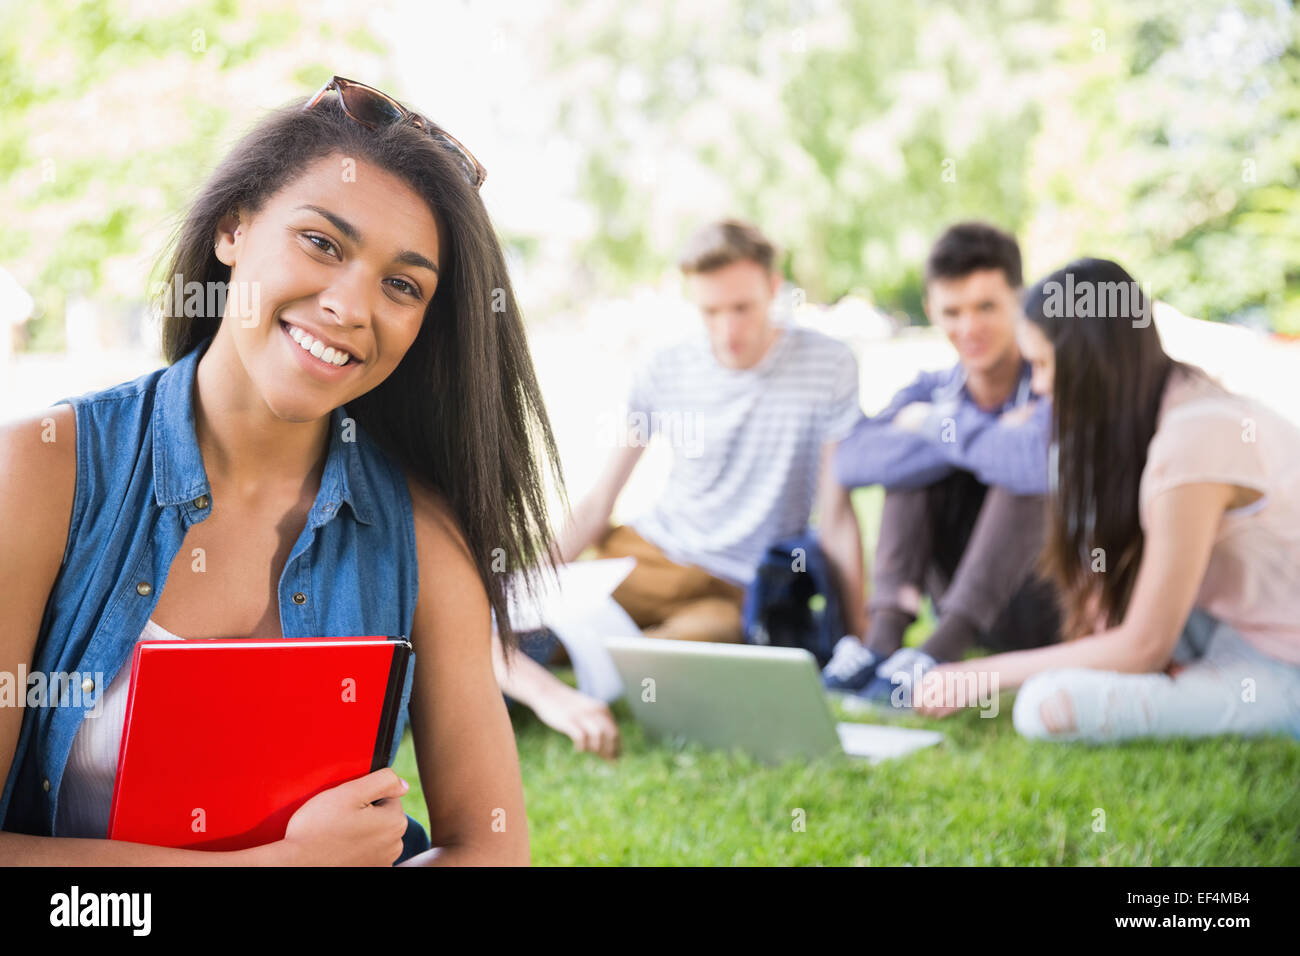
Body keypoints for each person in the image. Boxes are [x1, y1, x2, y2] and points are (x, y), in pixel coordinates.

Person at [0, 75, 563, 864]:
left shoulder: (423, 534)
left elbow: (490, 849)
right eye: (322, 243)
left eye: (402, 285)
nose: (350, 305)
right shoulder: (41, 471)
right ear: (234, 230)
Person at [496, 219, 868, 757]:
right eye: (710, 312)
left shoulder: (830, 364)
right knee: (511, 625)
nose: (727, 329)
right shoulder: (665, 366)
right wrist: (533, 584)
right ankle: (533, 667)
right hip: (649, 555)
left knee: (651, 664)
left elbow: (837, 514)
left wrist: (858, 642)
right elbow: (602, 499)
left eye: (741, 308)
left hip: (735, 584)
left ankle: (559, 670)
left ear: (772, 286)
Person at [918, 258, 1300, 741]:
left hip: (1284, 664)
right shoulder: (1164, 403)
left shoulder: (1195, 437)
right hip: (1228, 627)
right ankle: (1195, 680)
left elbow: (1142, 645)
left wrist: (982, 675)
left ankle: (1206, 689)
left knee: (1046, 706)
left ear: (1089, 365)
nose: (1037, 387)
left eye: (1041, 365)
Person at [823, 222, 1061, 703]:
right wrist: (972, 433)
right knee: (907, 470)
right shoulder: (931, 391)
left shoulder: (1047, 382)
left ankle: (938, 651)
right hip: (953, 586)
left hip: (1041, 605)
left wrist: (933, 427)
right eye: (952, 311)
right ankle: (883, 643)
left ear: (1019, 301)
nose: (969, 328)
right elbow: (850, 461)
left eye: (986, 307)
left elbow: (1034, 464)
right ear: (931, 310)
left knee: (1017, 471)